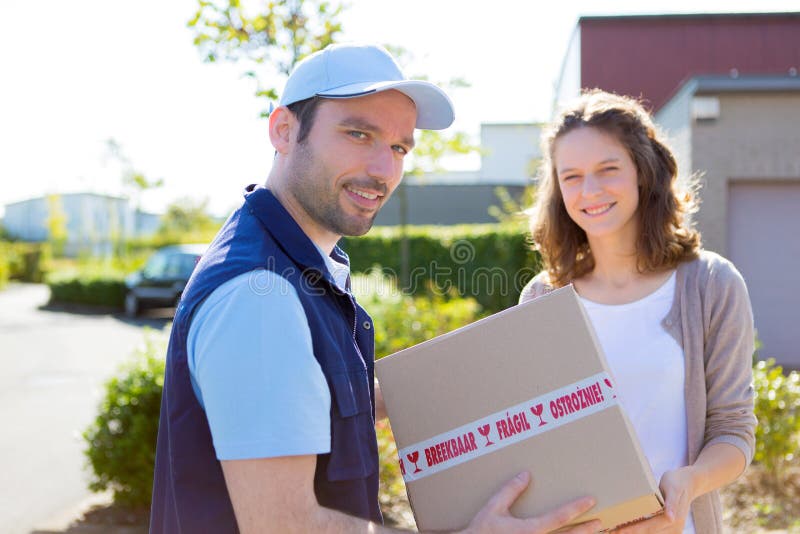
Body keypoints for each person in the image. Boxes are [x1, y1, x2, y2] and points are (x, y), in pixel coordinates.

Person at [149, 43, 601, 534]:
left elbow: (310, 398)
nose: (385, 170)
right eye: (358, 133)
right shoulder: (262, 295)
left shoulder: (308, 264)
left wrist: (464, 380)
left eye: (399, 147)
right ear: (284, 130)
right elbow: (285, 524)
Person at [519, 89, 757, 533]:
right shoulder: (541, 299)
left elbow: (733, 430)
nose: (590, 191)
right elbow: (534, 436)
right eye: (571, 176)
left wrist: (689, 483)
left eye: (608, 170)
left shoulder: (711, 285)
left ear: (642, 173)